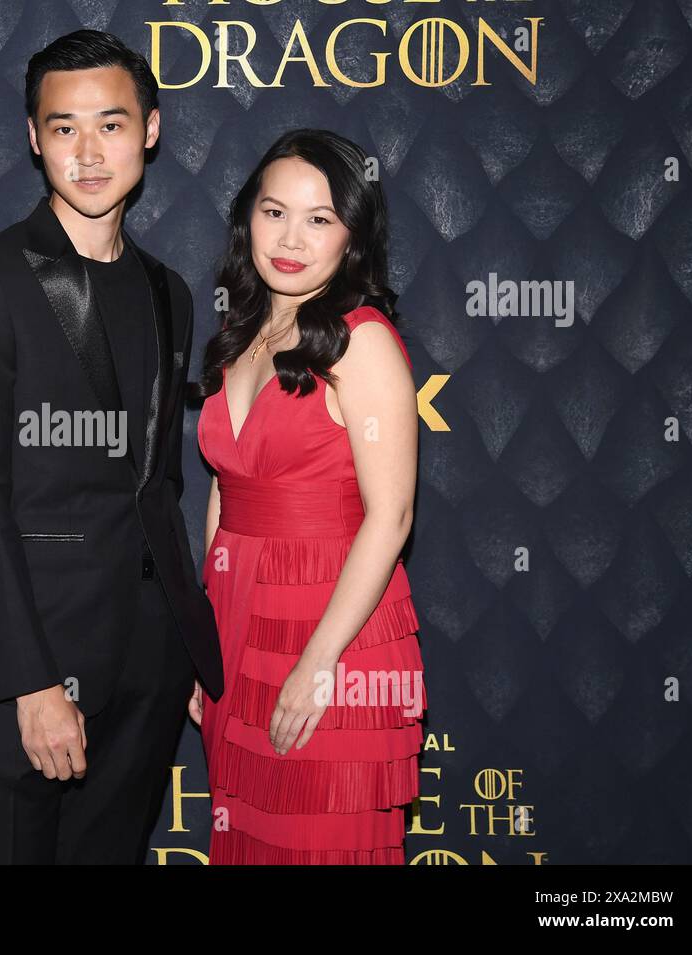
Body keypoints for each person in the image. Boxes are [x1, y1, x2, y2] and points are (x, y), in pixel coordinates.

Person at [0, 29, 223, 864]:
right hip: (28, 659)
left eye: (111, 124)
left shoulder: (169, 290)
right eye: (64, 128)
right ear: (33, 137)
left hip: (148, 662)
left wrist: (192, 645)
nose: (89, 152)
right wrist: (31, 681)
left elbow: (158, 485)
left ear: (152, 130)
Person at [193, 128, 427, 864]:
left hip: (335, 626)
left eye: (320, 218)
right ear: (247, 220)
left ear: (352, 236)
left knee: (319, 836)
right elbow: (225, 497)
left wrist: (320, 660)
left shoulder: (364, 342)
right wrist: (206, 642)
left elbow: (390, 518)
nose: (291, 238)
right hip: (239, 621)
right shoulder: (242, 335)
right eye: (273, 212)